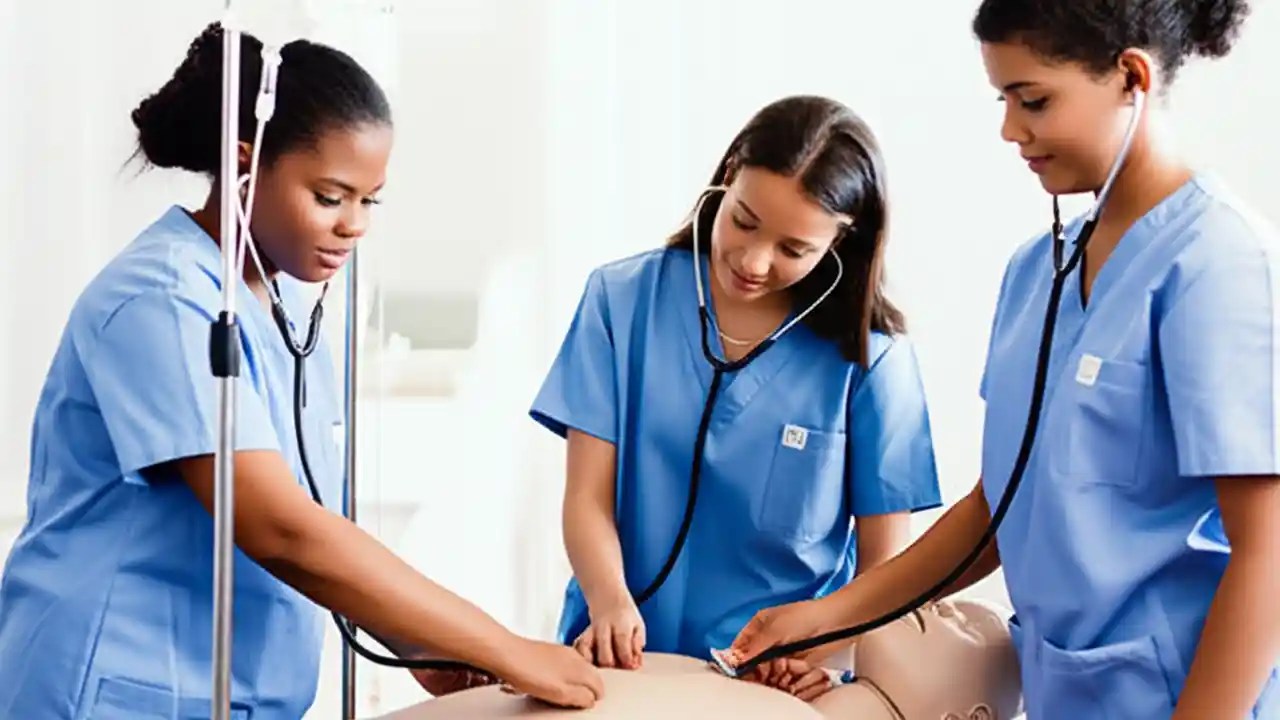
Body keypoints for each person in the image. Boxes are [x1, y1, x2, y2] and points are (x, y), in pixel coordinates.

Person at [0, 22, 602, 718]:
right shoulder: (160, 299)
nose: (355, 225)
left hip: (232, 690)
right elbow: (279, 528)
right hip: (112, 687)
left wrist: (416, 644)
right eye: (330, 196)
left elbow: (318, 518)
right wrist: (506, 647)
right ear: (243, 165)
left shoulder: (285, 307)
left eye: (368, 201)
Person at [724, 1, 1280, 718]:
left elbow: (1266, 555)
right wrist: (830, 615)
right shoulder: (1035, 273)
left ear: (1131, 78)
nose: (1010, 130)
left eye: (1034, 100)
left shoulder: (1217, 265)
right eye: (1004, 100)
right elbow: (1001, 506)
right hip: (1062, 692)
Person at [529, 95, 943, 671]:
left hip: (775, 678)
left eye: (793, 249)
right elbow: (586, 497)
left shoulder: (873, 361)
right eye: (744, 221)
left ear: (840, 243)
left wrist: (821, 654)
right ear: (727, 179)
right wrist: (609, 601)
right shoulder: (619, 303)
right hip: (619, 658)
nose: (752, 260)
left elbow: (884, 566)